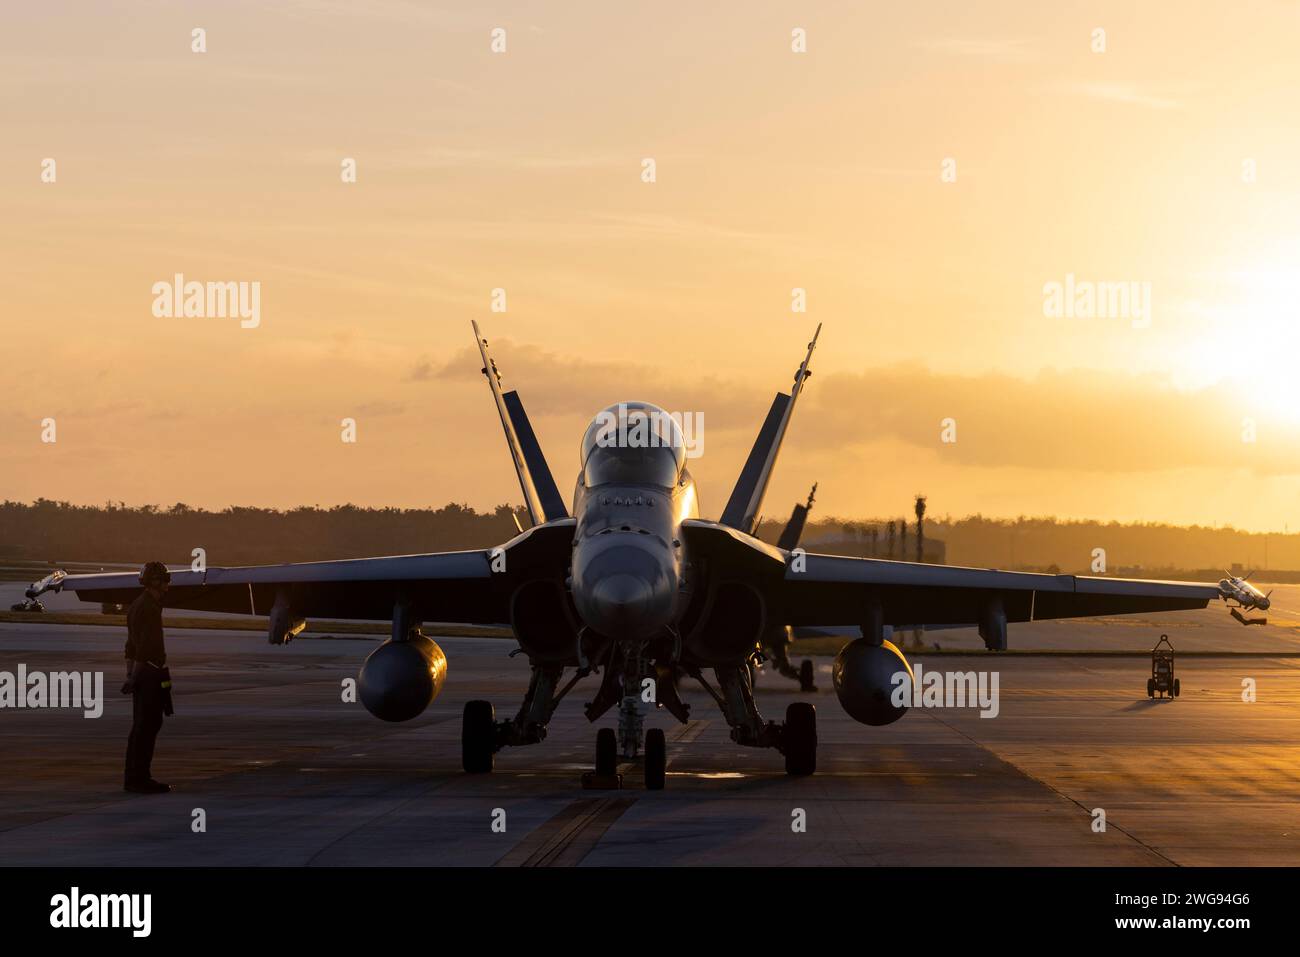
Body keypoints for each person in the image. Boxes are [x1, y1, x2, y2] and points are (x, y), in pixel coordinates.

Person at [123, 561, 173, 794]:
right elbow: (143, 648)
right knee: (148, 725)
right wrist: (136, 677)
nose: (167, 584)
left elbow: (130, 647)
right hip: (150, 674)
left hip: (142, 673)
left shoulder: (136, 606)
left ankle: (134, 777)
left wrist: (130, 674)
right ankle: (139, 779)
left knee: (141, 726)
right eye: (164, 580)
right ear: (156, 582)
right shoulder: (149, 609)